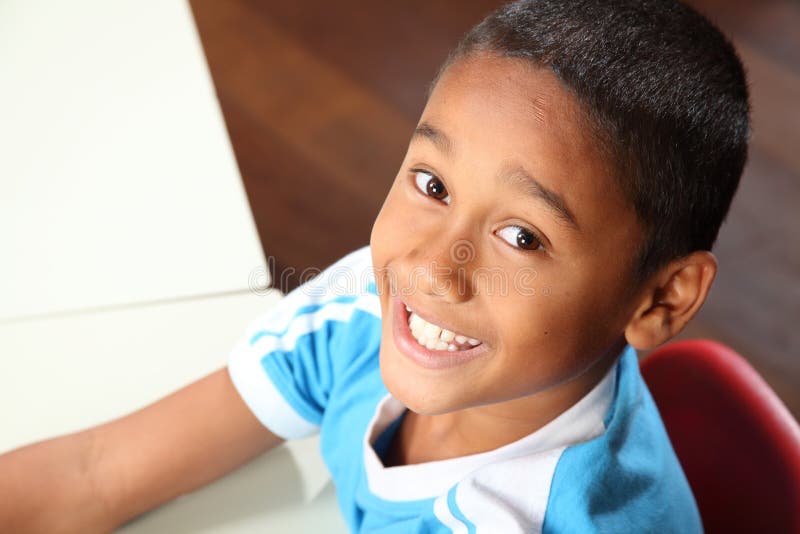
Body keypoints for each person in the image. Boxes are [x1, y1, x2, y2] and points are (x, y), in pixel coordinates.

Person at [0, 0, 749, 532]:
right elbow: (94, 473)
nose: (431, 267)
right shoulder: (365, 307)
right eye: (433, 185)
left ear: (660, 299)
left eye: (522, 236)